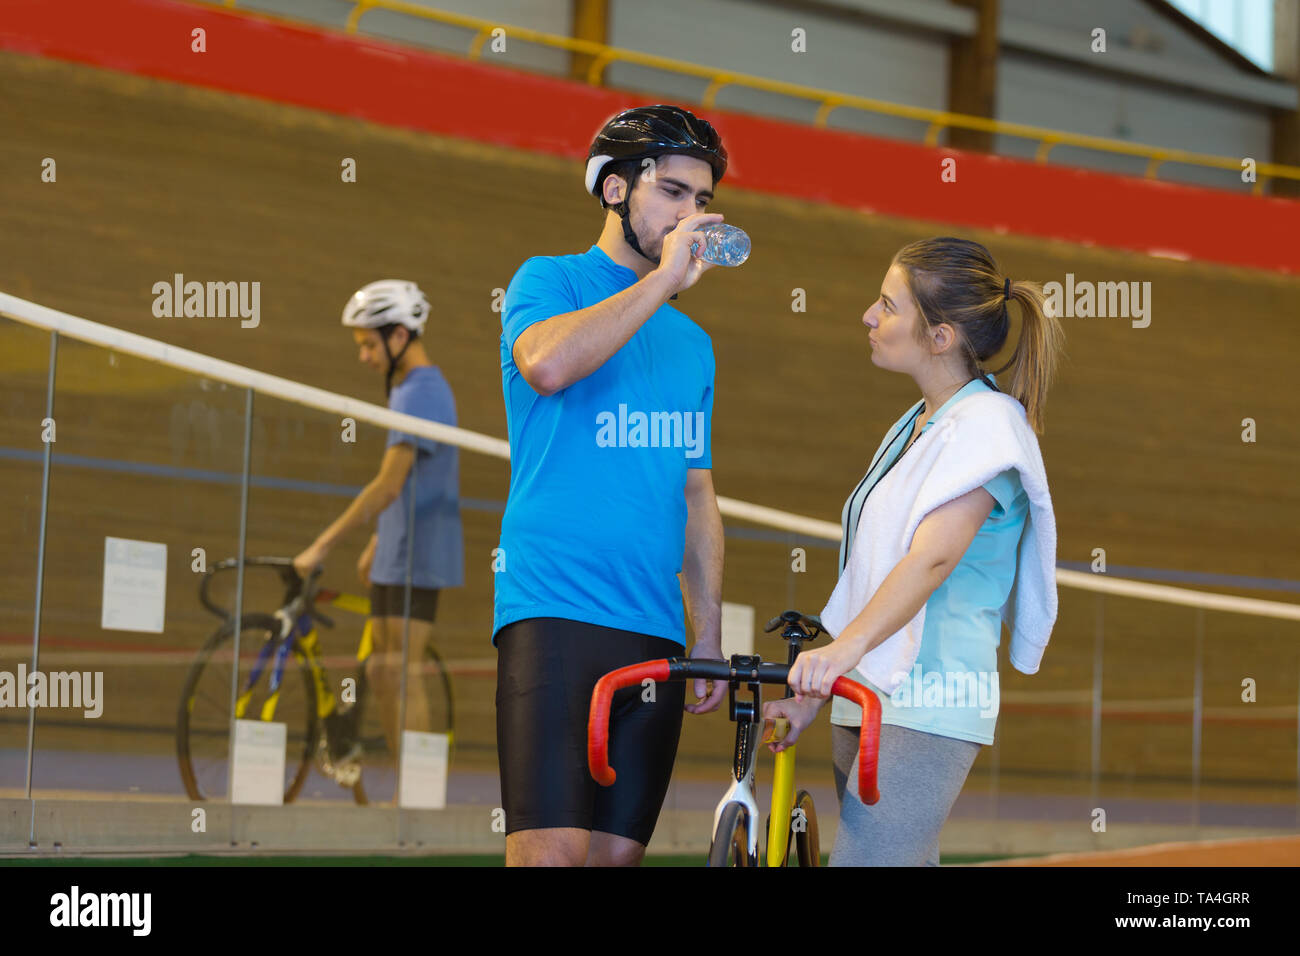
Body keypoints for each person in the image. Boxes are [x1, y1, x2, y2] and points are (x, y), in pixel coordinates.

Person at [763, 237, 1065, 866]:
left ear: (941, 337)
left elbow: (931, 560)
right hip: (868, 691)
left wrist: (841, 650)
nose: (868, 317)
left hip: (932, 700)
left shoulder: (988, 425)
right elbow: (869, 572)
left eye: (887, 305)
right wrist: (818, 691)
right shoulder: (916, 424)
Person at [494, 104, 732, 866]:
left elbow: (696, 495)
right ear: (613, 188)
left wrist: (711, 634)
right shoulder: (548, 281)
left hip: (655, 629)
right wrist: (662, 282)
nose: (688, 214)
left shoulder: (693, 345)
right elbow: (549, 365)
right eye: (670, 192)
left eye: (700, 200)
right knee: (550, 853)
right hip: (555, 610)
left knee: (614, 860)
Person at [294, 279, 464, 782]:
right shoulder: (410, 389)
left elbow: (389, 485)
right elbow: (409, 483)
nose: (365, 356)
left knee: (403, 674)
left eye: (369, 344)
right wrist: (378, 541)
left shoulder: (421, 391)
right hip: (401, 547)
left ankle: (420, 801)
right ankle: (409, 797)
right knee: (386, 671)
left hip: (422, 550)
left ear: (399, 336)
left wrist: (322, 544)